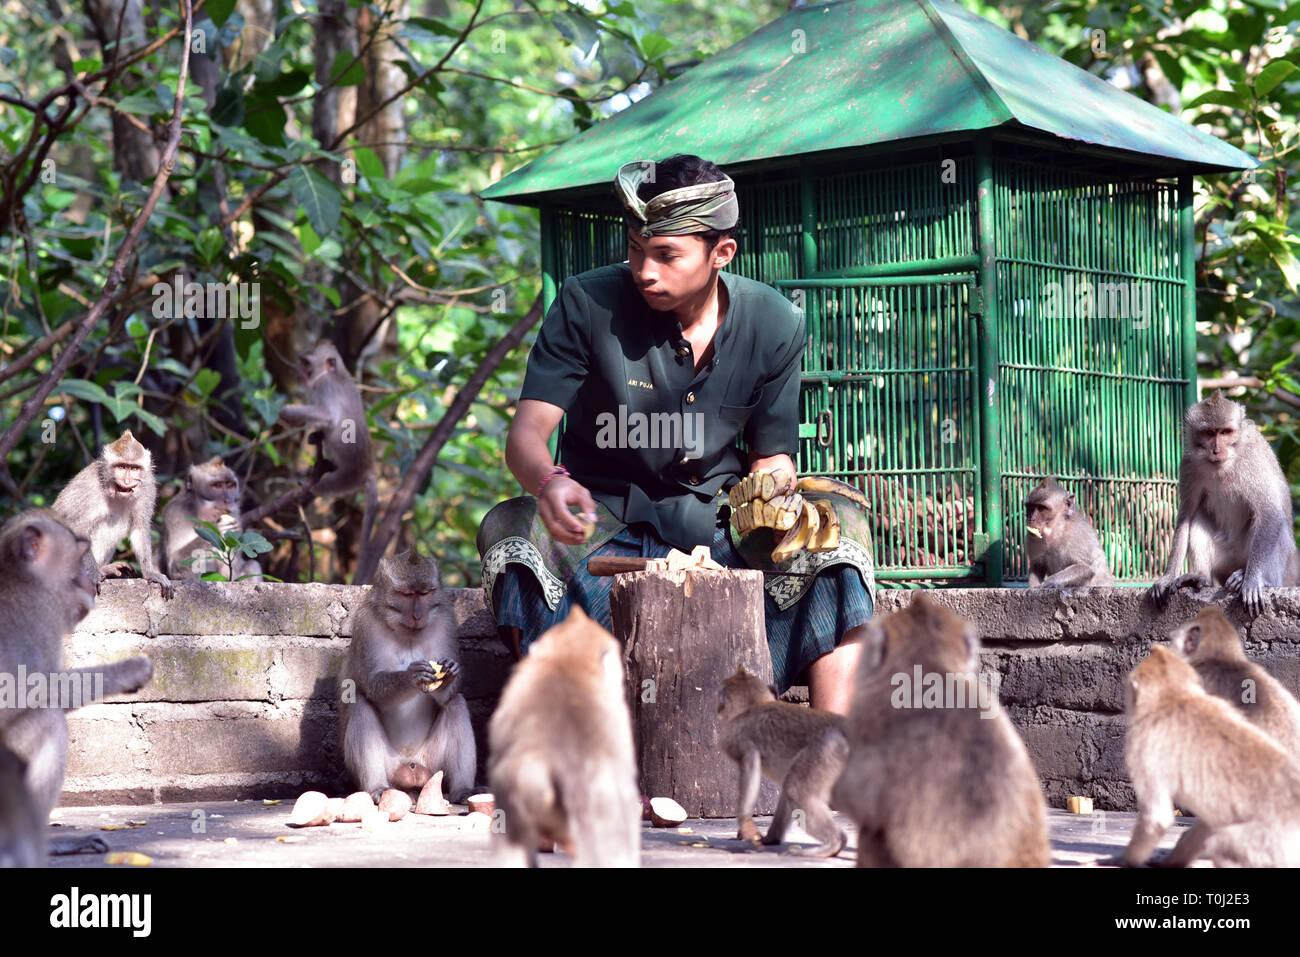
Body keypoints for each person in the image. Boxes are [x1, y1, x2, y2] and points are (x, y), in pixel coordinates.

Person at [477, 154, 874, 713]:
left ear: (722, 253)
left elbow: (771, 457)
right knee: (511, 526)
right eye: (636, 250)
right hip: (599, 530)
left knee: (841, 530)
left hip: (719, 535)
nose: (645, 271)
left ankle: (833, 754)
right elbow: (525, 436)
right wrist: (550, 483)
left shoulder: (775, 323)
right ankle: (561, 752)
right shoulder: (585, 302)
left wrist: (775, 500)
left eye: (666, 255)